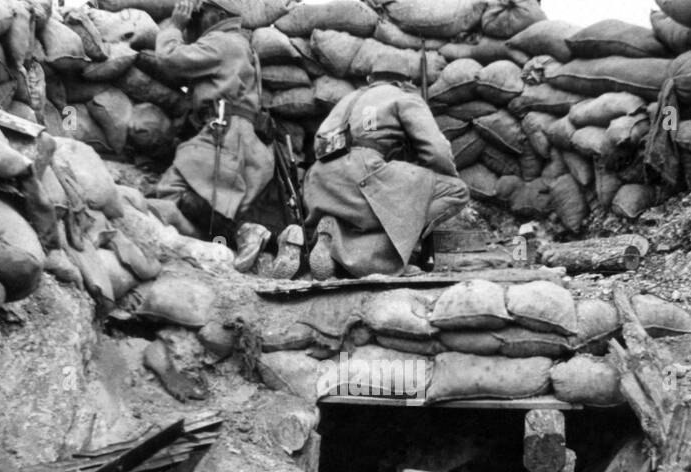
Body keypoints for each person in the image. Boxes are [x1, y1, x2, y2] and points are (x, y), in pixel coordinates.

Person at [149, 0, 302, 277]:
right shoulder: (239, 43)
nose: (196, 20)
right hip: (244, 139)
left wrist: (175, 26)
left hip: (225, 135)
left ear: (218, 15)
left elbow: (170, 59)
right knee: (219, 210)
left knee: (173, 189)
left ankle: (246, 233)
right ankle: (258, 255)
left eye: (201, 13)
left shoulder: (222, 42)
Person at [303, 55, 470, 279]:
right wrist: (436, 180)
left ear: (370, 78)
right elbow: (436, 149)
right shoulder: (403, 97)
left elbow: (319, 143)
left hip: (321, 183)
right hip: (362, 174)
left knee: (371, 213)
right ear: (404, 82)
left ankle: (331, 233)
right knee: (456, 190)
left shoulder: (347, 99)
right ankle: (379, 258)